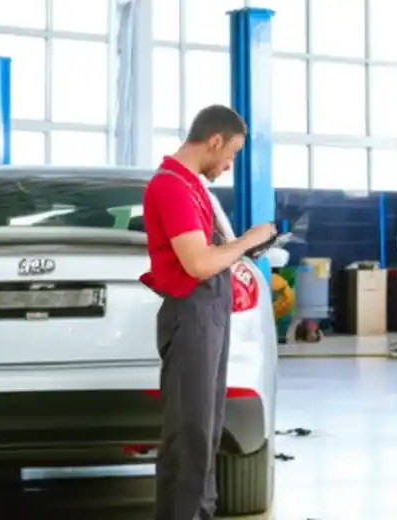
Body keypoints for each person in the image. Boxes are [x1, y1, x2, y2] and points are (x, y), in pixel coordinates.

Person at [141, 104, 276, 520]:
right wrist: (248, 239)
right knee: (190, 434)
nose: (230, 163)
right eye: (231, 153)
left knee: (208, 429)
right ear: (214, 140)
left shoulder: (192, 185)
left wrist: (243, 247)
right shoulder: (171, 187)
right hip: (192, 314)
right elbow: (198, 263)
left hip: (209, 314)